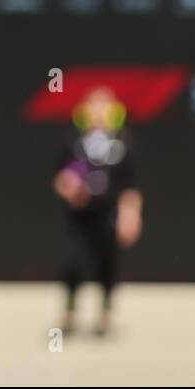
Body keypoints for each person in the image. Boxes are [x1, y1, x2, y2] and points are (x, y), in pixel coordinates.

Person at [53, 86, 142, 336]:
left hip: (108, 214)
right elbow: (60, 178)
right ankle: (70, 312)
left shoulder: (123, 141)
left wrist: (130, 215)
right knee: (72, 262)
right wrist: (69, 187)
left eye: (105, 105)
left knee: (107, 264)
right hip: (80, 216)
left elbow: (130, 185)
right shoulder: (74, 141)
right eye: (94, 105)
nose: (99, 111)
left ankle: (104, 314)